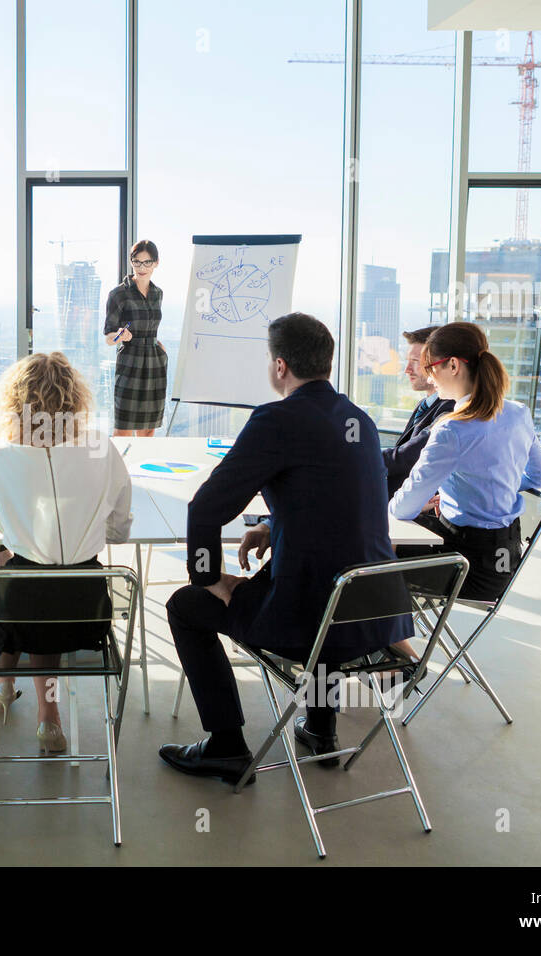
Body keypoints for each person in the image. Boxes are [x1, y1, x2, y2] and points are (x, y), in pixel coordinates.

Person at [158, 313, 412, 784]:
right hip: (374, 611)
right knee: (328, 584)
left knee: (185, 606)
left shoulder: (276, 419)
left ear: (279, 366)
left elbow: (206, 508)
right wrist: (274, 525)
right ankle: (320, 729)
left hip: (308, 619)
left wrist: (209, 578)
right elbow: (341, 502)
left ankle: (226, 746)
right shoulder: (359, 419)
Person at [0, 353, 133, 753]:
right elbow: (118, 525)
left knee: (21, 575)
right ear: (74, 398)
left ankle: (5, 680)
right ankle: (46, 716)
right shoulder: (100, 447)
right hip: (87, 612)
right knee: (44, 584)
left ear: (15, 403)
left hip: (17, 613)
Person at [390, 321, 541, 603]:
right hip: (503, 561)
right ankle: (395, 643)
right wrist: (492, 486)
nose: (430, 378)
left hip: (465, 567)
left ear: (453, 366)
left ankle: (397, 645)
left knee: (368, 553)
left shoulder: (451, 429)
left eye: (431, 368)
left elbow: (403, 507)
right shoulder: (518, 413)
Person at [103, 239, 167, 437]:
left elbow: (152, 326)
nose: (141, 267)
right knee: (123, 429)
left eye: (147, 262)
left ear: (156, 263)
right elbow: (108, 337)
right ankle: (119, 469)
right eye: (137, 261)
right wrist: (120, 335)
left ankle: (141, 468)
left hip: (155, 363)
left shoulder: (158, 293)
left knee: (148, 430)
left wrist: (160, 347)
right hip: (130, 362)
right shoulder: (118, 294)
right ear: (131, 262)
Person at [384, 326, 457, 499]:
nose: (407, 369)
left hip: (422, 511)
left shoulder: (451, 410)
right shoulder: (425, 404)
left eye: (415, 361)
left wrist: (358, 457)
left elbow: (408, 456)